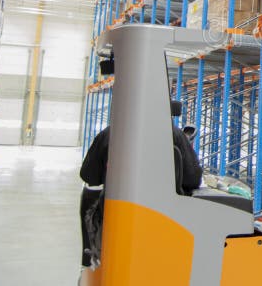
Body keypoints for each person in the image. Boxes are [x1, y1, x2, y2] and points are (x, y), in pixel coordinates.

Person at [79, 100, 202, 267]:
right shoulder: (175, 135)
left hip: (119, 214)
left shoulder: (110, 133)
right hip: (166, 217)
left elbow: (89, 176)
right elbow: (193, 179)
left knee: (89, 195)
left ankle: (90, 258)